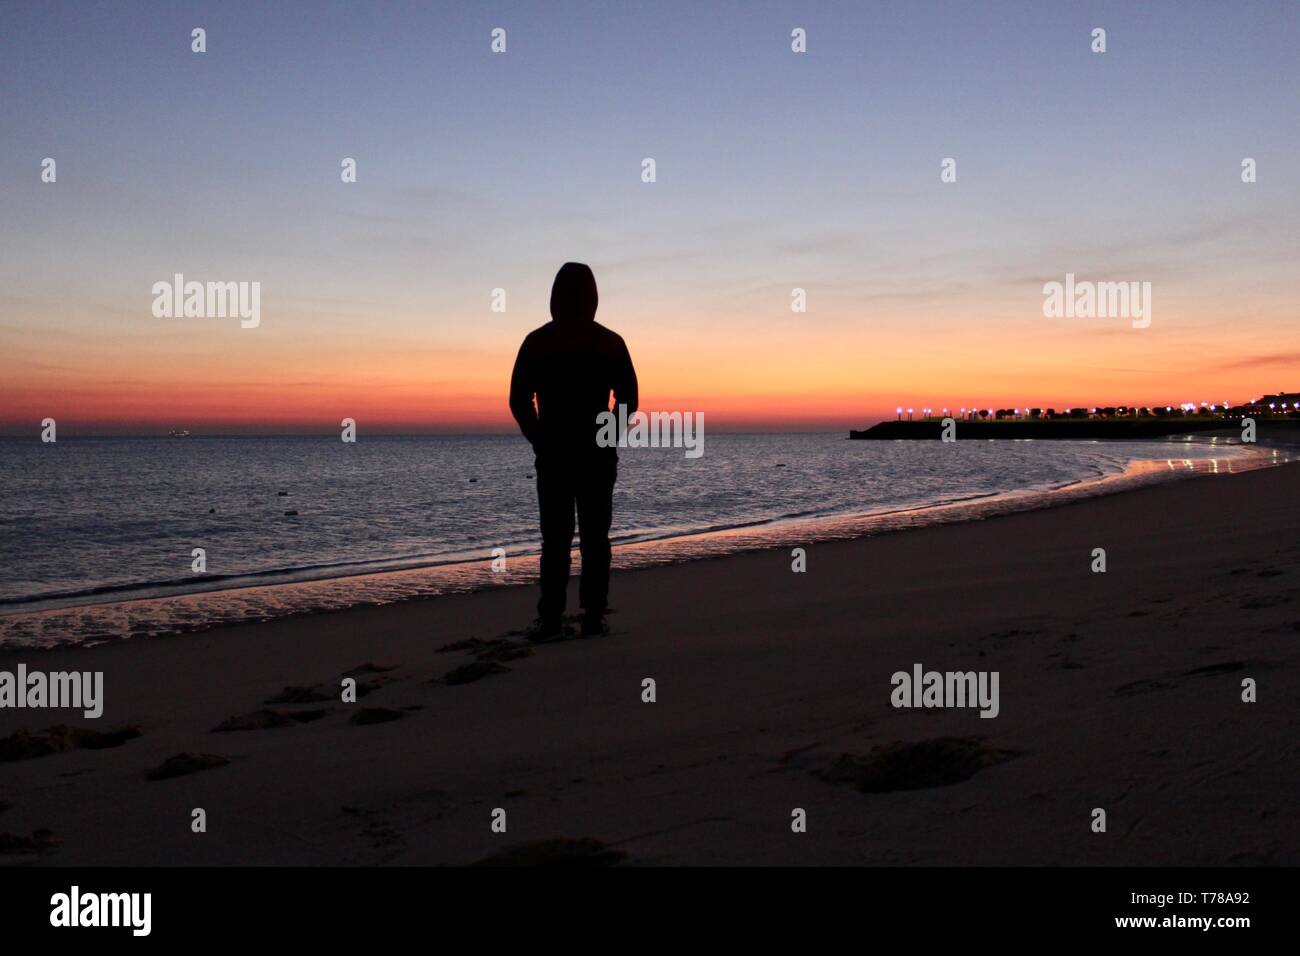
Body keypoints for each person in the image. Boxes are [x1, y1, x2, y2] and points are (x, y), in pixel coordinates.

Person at [509, 262, 638, 641]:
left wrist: (539, 437)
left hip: (556, 455)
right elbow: (629, 398)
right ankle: (593, 617)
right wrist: (608, 435)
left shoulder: (537, 341)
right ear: (593, 297)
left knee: (556, 540)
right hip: (595, 455)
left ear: (555, 296)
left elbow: (518, 399)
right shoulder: (610, 342)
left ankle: (551, 620)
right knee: (596, 539)